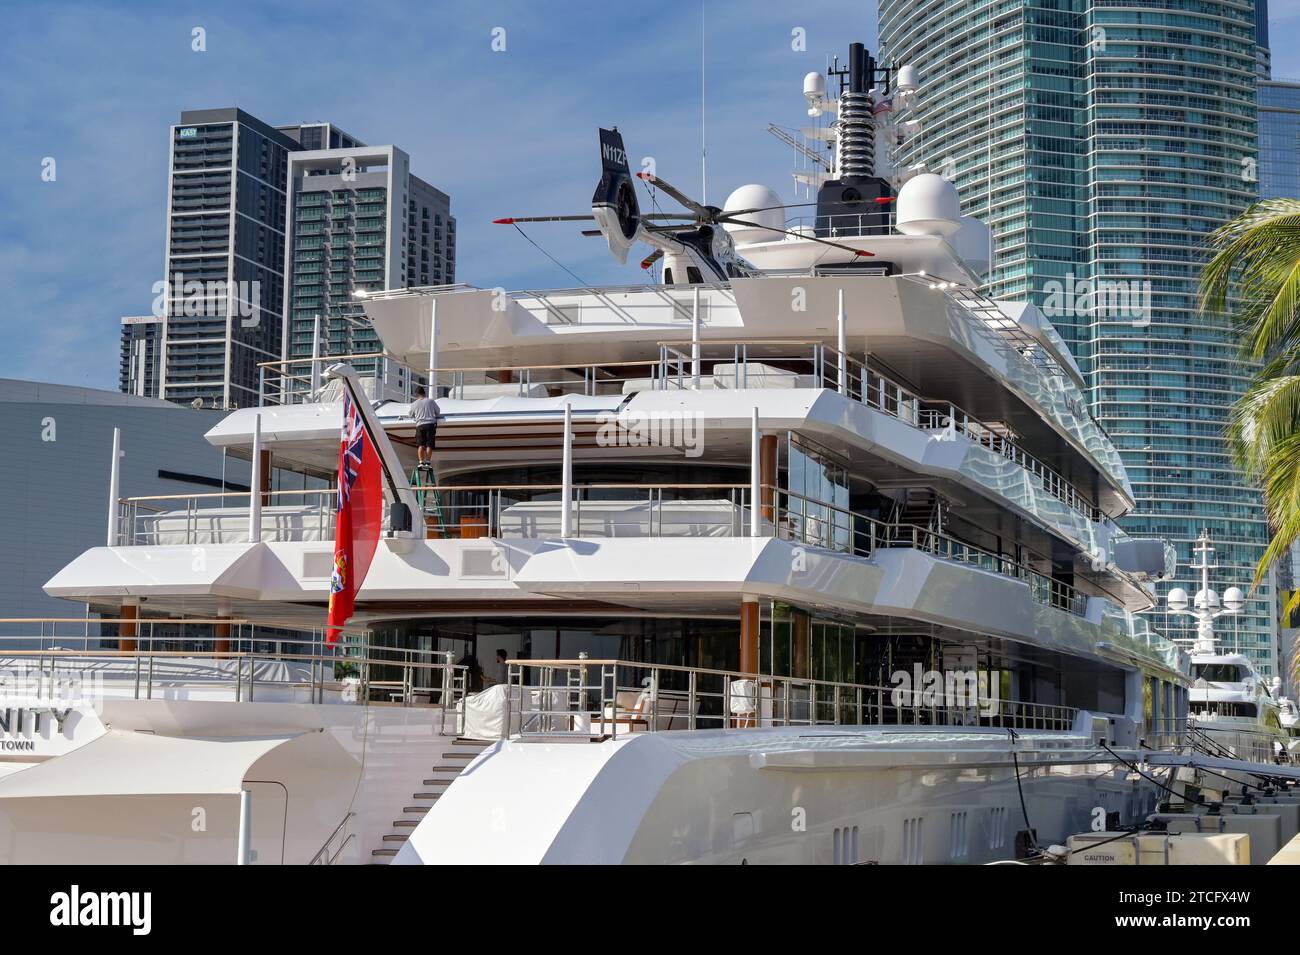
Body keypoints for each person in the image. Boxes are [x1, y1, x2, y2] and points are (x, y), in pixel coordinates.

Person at [410, 386, 440, 469]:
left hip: (420, 425)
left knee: (421, 445)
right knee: (429, 445)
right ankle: (428, 462)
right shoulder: (431, 401)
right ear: (424, 393)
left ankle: (421, 462)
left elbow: (410, 414)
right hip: (430, 425)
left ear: (417, 394)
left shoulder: (414, 403)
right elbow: (438, 412)